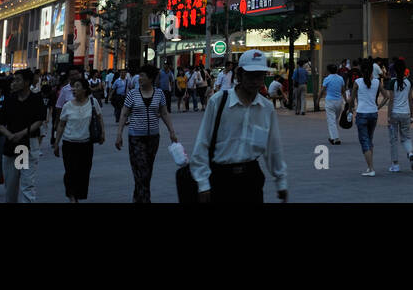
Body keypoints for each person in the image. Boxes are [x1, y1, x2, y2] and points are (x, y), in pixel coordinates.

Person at [189, 50, 288, 204]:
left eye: (260, 76)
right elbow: (203, 142)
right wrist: (202, 183)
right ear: (239, 75)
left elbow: (273, 147)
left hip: (251, 178)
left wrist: (281, 181)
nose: (256, 81)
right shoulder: (219, 101)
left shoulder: (266, 108)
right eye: (251, 75)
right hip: (220, 178)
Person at [115, 64, 179, 203]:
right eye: (139, 75)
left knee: (147, 171)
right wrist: (119, 134)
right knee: (142, 170)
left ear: (150, 78)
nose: (139, 78)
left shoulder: (159, 94)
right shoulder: (132, 94)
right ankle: (145, 199)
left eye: (142, 76)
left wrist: (171, 132)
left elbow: (164, 113)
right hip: (136, 138)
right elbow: (124, 114)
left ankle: (137, 198)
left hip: (153, 138)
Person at [0, 69, 45, 203]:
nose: (14, 83)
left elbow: (39, 120)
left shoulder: (35, 99)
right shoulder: (10, 100)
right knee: (11, 184)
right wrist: (9, 135)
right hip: (12, 145)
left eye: (18, 79)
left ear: (27, 82)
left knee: (27, 183)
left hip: (27, 144)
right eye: (14, 79)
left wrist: (22, 133)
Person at [54, 77, 98, 202]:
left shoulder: (93, 102)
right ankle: (72, 196)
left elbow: (99, 119)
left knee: (83, 172)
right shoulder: (67, 106)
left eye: (77, 86)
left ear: (84, 89)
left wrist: (102, 134)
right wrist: (56, 143)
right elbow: (61, 125)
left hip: (86, 144)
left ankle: (77, 194)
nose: (74, 89)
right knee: (70, 172)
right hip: (69, 143)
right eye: (73, 87)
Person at [348, 57, 383, 176]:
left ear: (362, 70)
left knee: (364, 141)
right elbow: (387, 96)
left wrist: (349, 111)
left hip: (362, 113)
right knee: (369, 139)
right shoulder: (377, 82)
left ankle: (371, 168)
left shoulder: (357, 82)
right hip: (373, 113)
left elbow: (351, 100)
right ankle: (370, 167)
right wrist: (378, 107)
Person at [382, 58, 413, 173]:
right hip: (406, 113)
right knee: (406, 137)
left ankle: (395, 164)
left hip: (395, 114)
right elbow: (410, 100)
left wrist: (388, 116)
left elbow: (391, 101)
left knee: (393, 140)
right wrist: (411, 115)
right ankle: (410, 153)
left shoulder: (393, 82)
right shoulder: (408, 82)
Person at [322, 62, 346, 144]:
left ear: (328, 70)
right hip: (339, 101)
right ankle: (333, 136)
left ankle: (335, 138)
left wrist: (317, 100)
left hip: (330, 101)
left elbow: (323, 90)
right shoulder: (340, 78)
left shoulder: (327, 79)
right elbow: (343, 91)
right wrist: (346, 100)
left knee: (331, 121)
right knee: (334, 120)